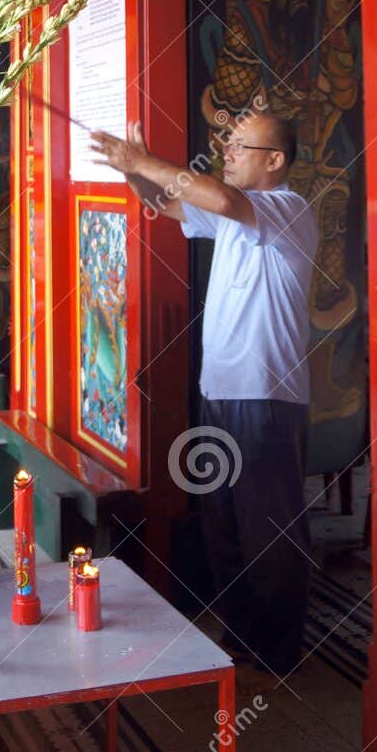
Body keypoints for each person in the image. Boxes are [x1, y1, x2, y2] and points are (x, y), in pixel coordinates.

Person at [89, 110, 318, 678]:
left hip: (267, 395)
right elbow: (167, 206)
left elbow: (219, 198)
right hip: (221, 389)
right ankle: (240, 637)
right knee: (225, 523)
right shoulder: (237, 218)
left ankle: (279, 648)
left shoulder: (286, 209)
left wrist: (139, 159)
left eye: (242, 145)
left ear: (275, 160)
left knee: (270, 526)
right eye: (228, 143)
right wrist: (133, 173)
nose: (229, 152)